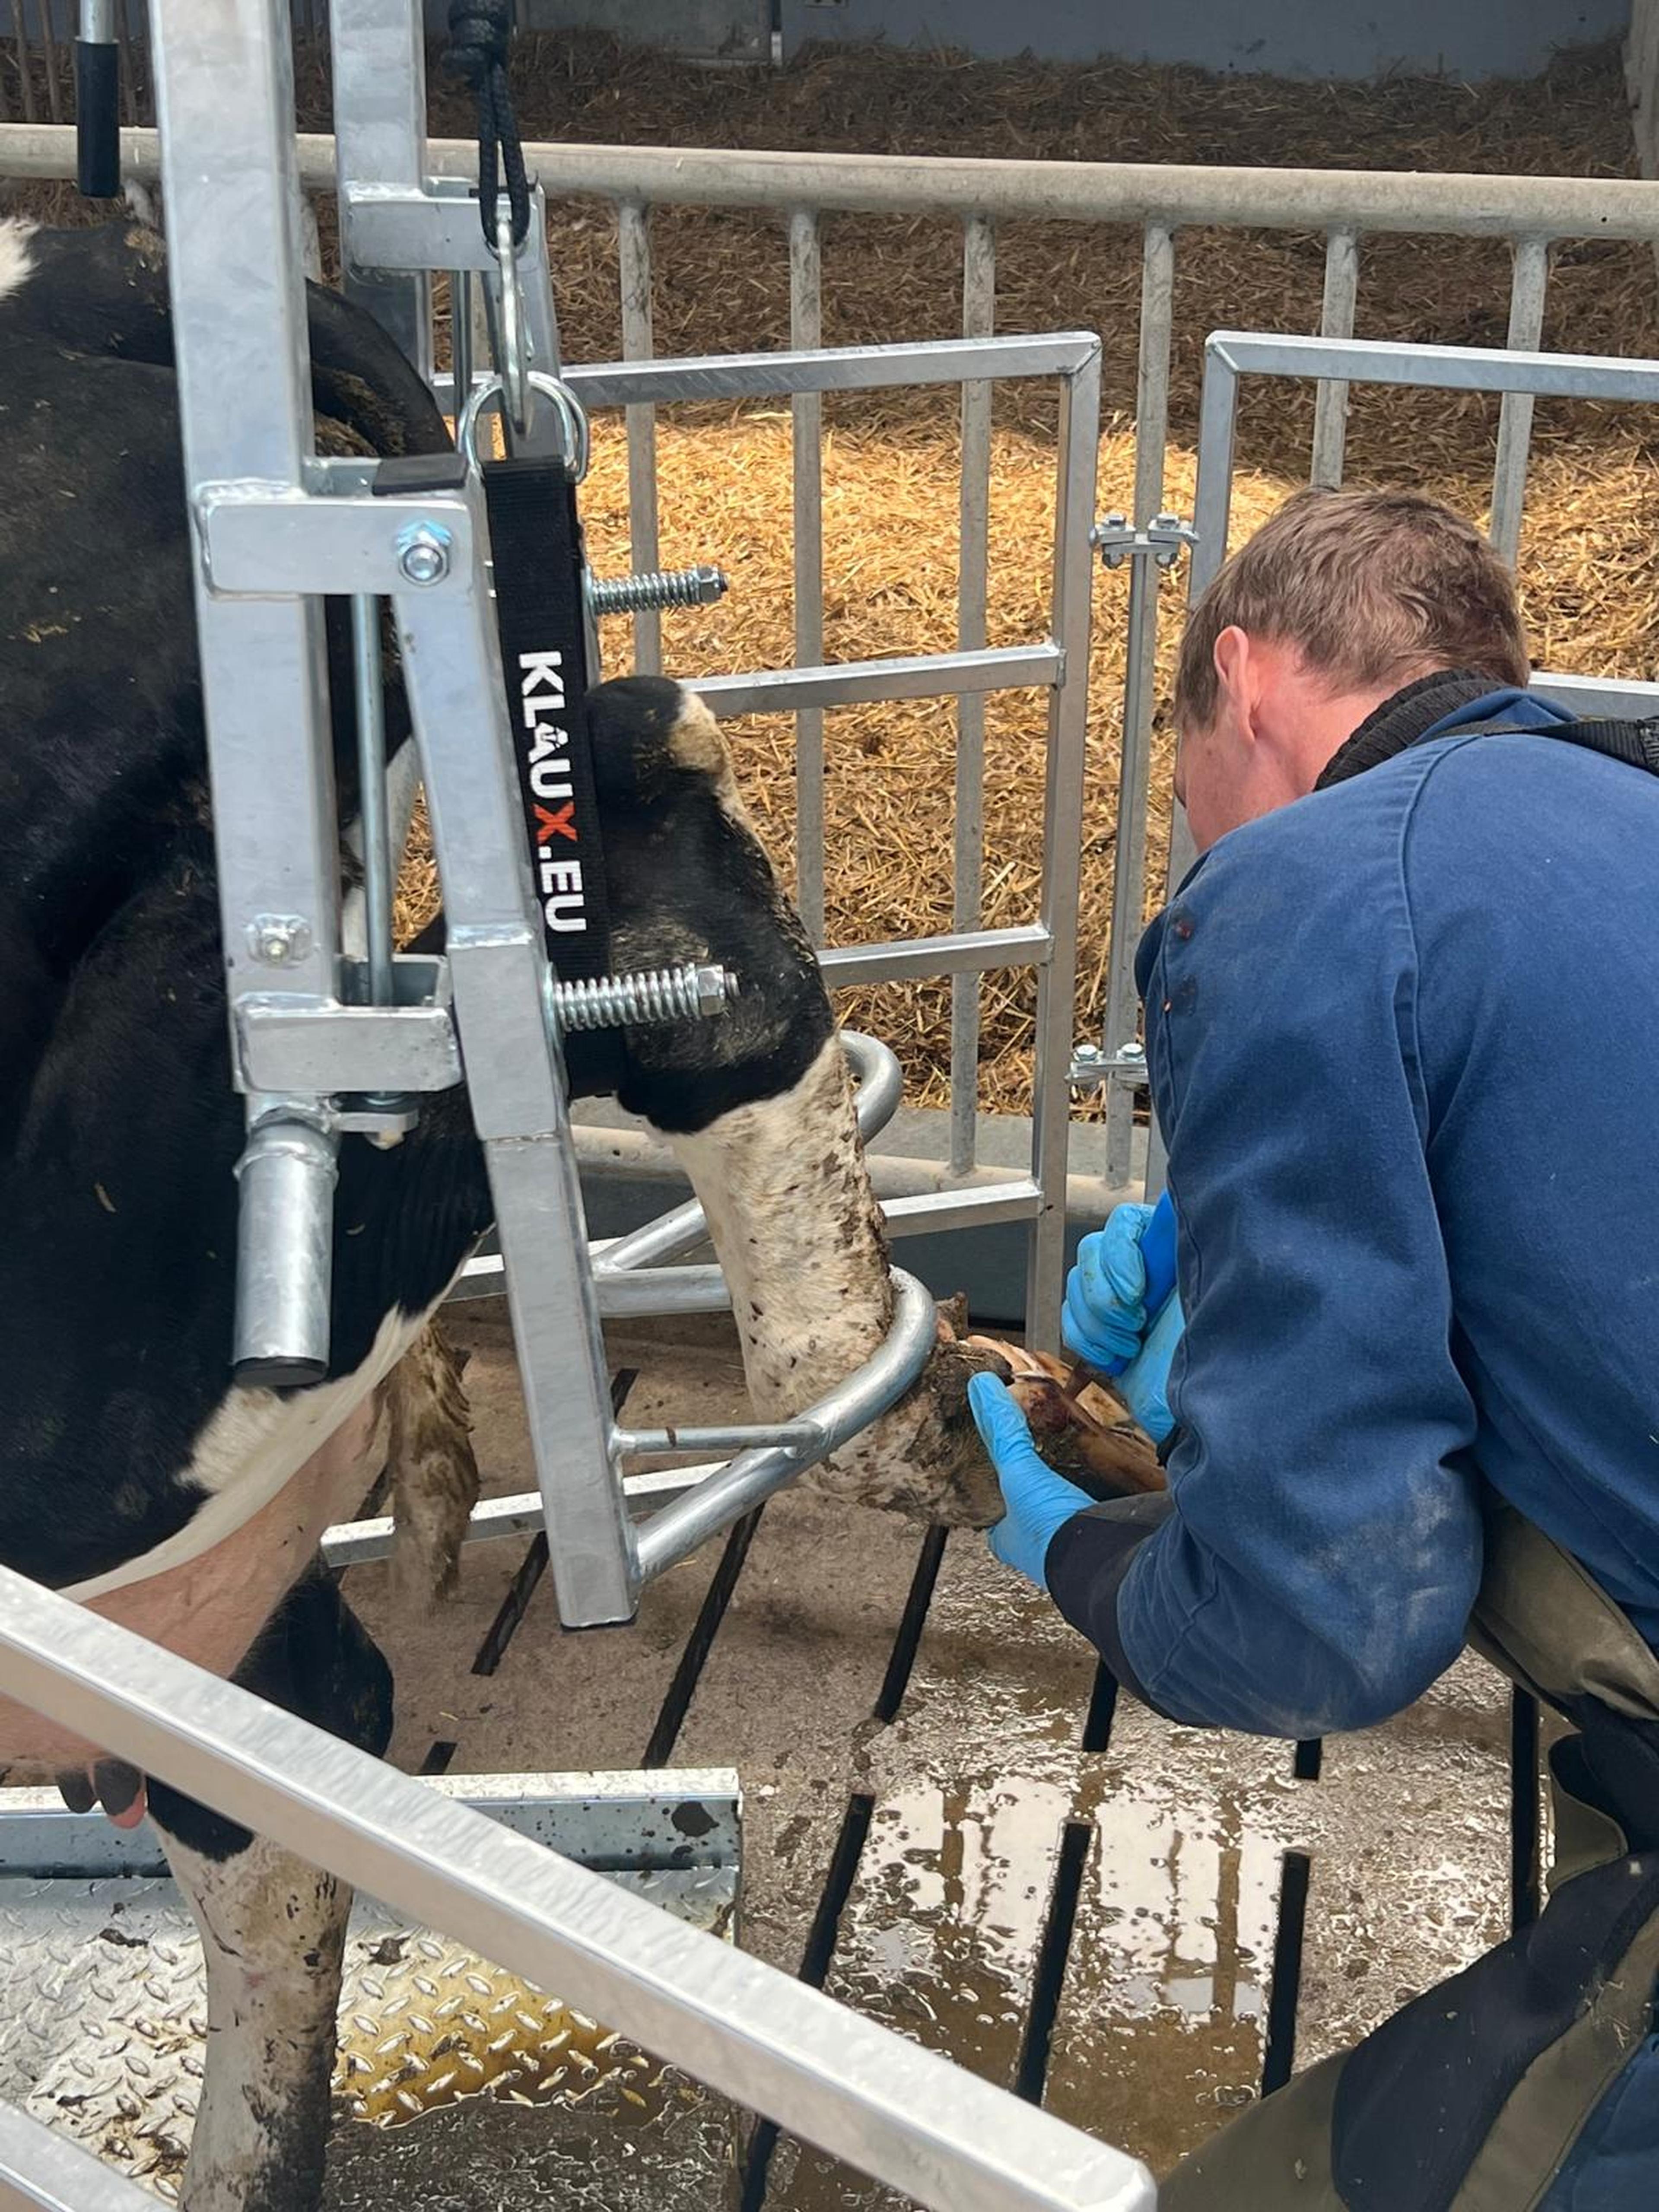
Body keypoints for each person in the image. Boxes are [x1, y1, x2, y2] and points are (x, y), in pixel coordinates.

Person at [969, 486, 1659, 2209]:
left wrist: (1086, 1552)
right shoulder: (1623, 801)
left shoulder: (1297, 884)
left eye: (1181, 772)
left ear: (1242, 677)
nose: (1197, 831)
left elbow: (1334, 1617)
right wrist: (1227, 1225)